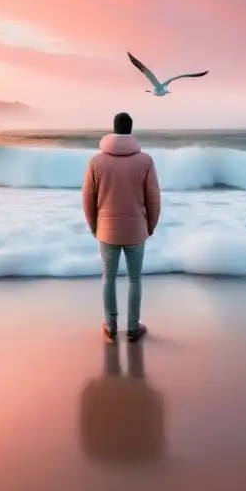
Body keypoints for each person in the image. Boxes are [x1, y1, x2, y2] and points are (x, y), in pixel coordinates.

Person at [82, 112, 161, 342]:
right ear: (131, 129)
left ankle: (111, 327)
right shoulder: (145, 160)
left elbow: (88, 198)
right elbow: (153, 197)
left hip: (106, 230)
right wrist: (151, 225)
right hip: (137, 230)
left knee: (108, 277)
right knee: (135, 279)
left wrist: (94, 227)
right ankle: (134, 328)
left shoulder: (96, 161)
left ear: (113, 129)